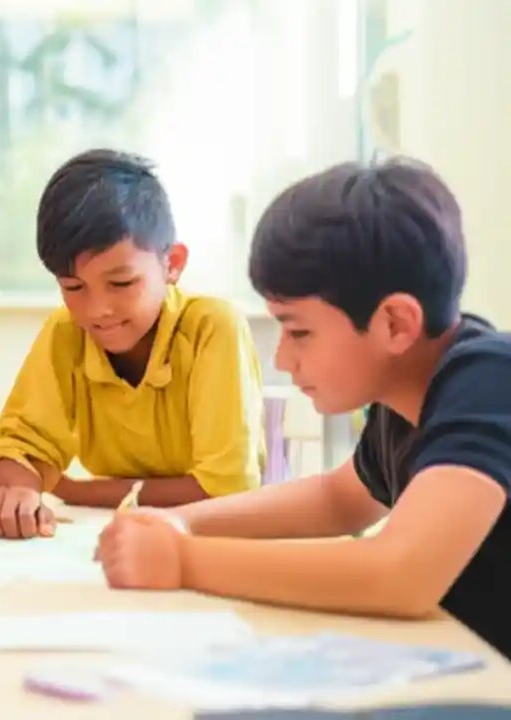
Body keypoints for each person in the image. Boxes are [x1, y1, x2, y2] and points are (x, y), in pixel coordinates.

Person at [96, 158, 511, 659]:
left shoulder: (488, 380)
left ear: (396, 324)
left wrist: (182, 560)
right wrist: (179, 521)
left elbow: (399, 576)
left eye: (299, 332)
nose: (282, 358)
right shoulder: (406, 399)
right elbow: (336, 500)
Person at [0, 149, 265, 539]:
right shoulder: (66, 333)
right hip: (115, 539)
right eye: (73, 287)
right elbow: (21, 448)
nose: (98, 310)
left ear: (172, 264)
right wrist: (18, 492)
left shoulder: (212, 328)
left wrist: (80, 491)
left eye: (122, 283)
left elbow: (224, 489)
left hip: (215, 538)